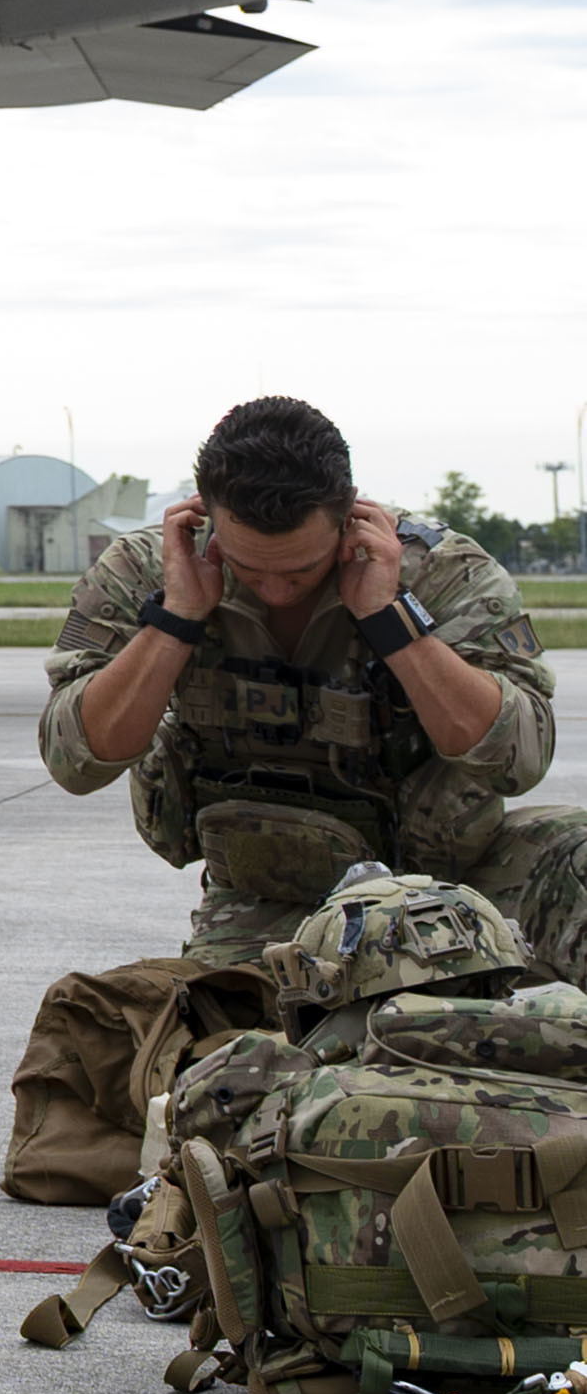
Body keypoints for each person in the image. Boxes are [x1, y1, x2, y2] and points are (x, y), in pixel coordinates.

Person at [41, 394, 579, 978]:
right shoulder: (150, 571)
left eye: (301, 569)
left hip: (451, 879)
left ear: (351, 515)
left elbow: (518, 760)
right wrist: (175, 618)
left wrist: (390, 619)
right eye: (248, 568)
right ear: (206, 517)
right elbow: (77, 762)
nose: (275, 591)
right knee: (256, 1055)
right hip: (270, 899)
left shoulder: (441, 572)